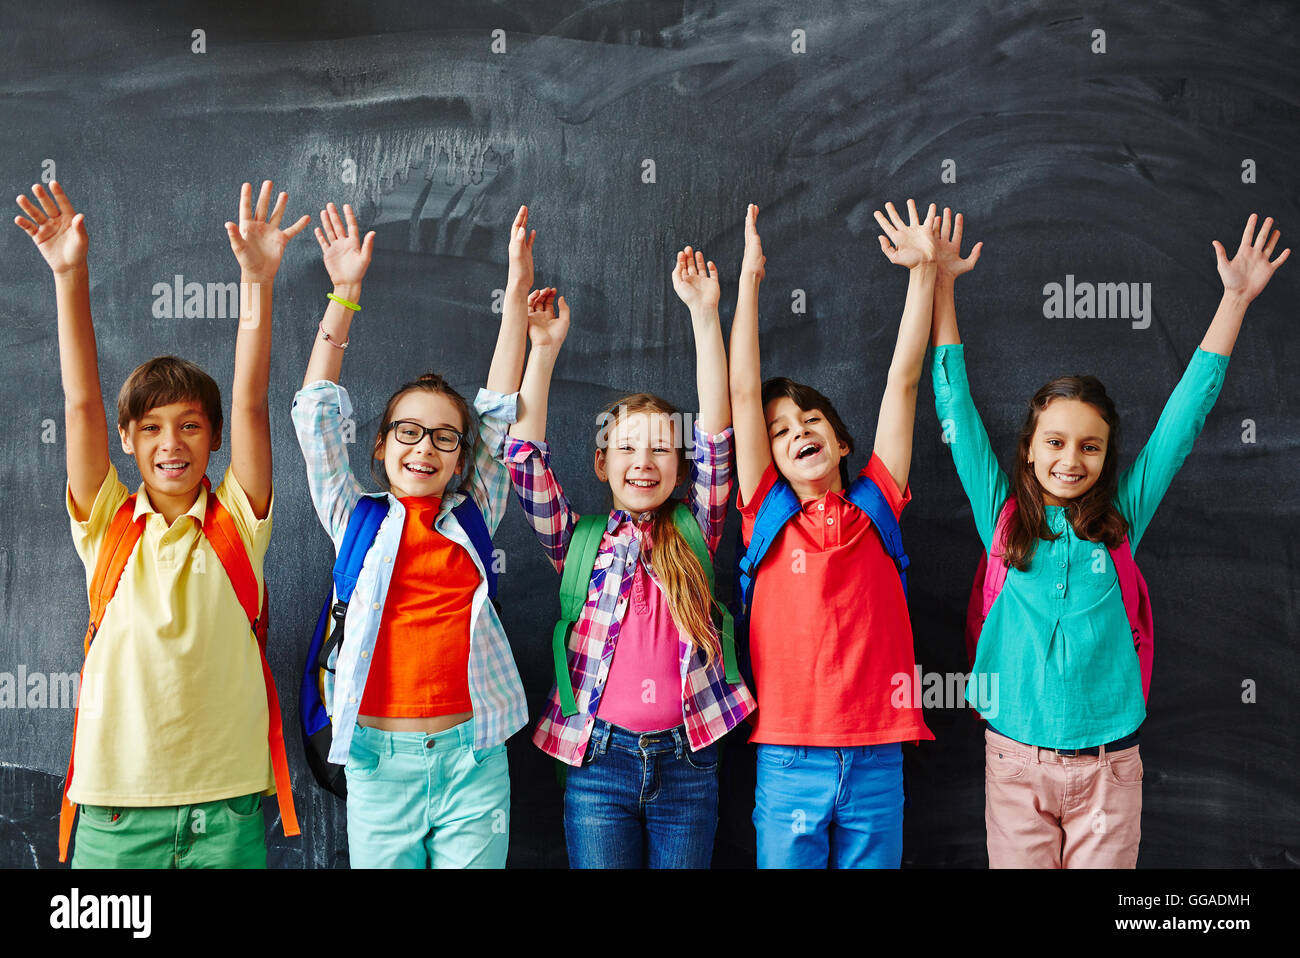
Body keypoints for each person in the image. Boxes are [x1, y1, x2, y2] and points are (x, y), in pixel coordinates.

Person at [931, 210, 1289, 867]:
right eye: (1057, 443)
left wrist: (1234, 298)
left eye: (1090, 446)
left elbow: (1185, 417)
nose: (1072, 459)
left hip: (1110, 767)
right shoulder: (1002, 518)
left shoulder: (1121, 521)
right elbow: (954, 405)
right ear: (1030, 451)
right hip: (1015, 761)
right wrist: (941, 284)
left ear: (1107, 454)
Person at [17, 179, 308, 867]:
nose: (170, 443)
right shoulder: (108, 524)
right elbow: (82, 401)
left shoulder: (239, 519)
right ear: (127, 439)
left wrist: (258, 282)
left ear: (212, 440)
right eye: (150, 428)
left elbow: (252, 403)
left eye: (188, 426)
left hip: (227, 807)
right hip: (114, 811)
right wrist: (69, 273)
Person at [290, 202, 531, 868]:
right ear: (381, 444)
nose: (425, 448)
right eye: (409, 432)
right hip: (376, 761)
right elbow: (314, 415)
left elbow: (499, 406)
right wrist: (344, 296)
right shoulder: (354, 516)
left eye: (444, 438)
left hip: (472, 758)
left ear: (461, 457)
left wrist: (514, 291)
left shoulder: (475, 512)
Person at [504, 245, 755, 868]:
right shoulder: (579, 540)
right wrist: (542, 353)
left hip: (688, 761)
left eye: (661, 451)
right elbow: (522, 459)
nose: (644, 462)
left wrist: (704, 316)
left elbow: (718, 439)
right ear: (602, 462)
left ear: (679, 466)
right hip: (598, 764)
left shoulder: (698, 529)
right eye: (628, 449)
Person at [729, 201, 943, 868]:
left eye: (811, 420)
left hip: (879, 754)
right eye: (781, 432)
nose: (798, 434)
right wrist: (749, 282)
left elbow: (903, 382)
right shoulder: (764, 507)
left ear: (842, 440)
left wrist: (923, 276)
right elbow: (740, 398)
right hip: (789, 755)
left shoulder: (877, 502)